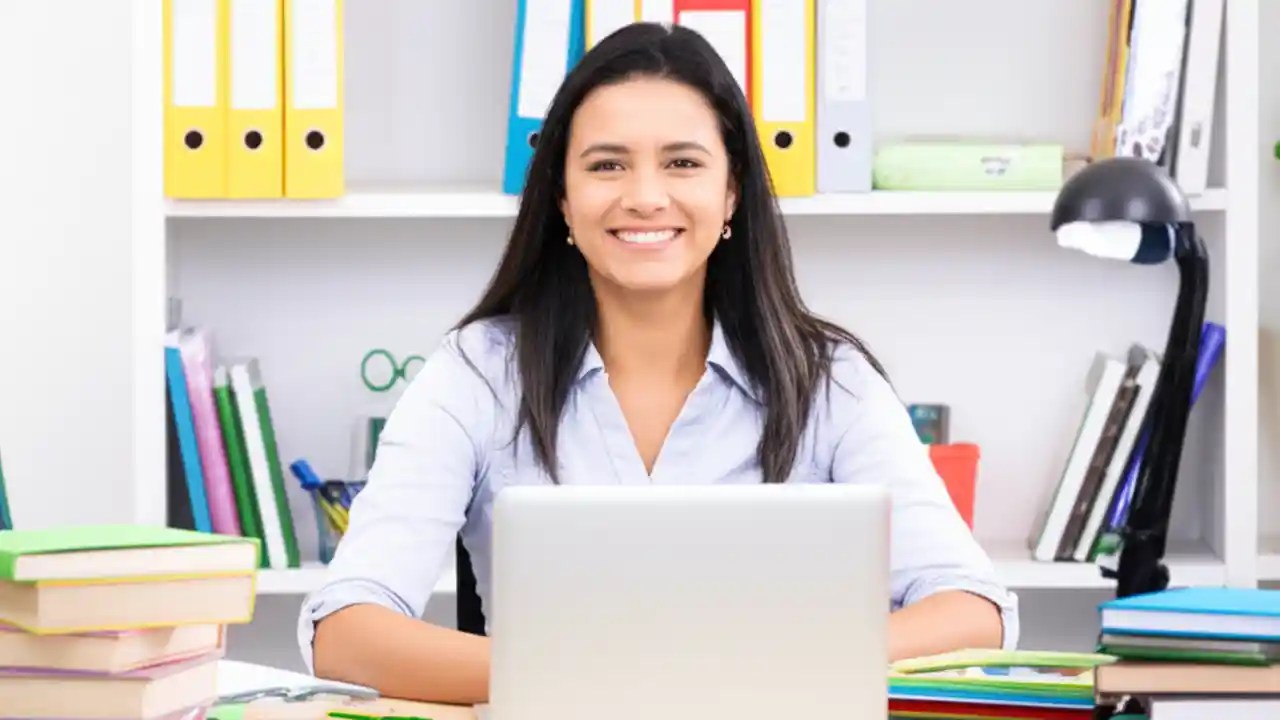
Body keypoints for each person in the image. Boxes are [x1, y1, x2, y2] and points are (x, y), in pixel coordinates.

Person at [298, 21, 1018, 704]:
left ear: (731, 190)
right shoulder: (480, 372)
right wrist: (597, 681)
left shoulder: (828, 379)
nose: (645, 197)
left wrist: (761, 675)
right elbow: (346, 630)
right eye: (607, 165)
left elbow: (974, 608)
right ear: (563, 200)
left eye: (683, 163)